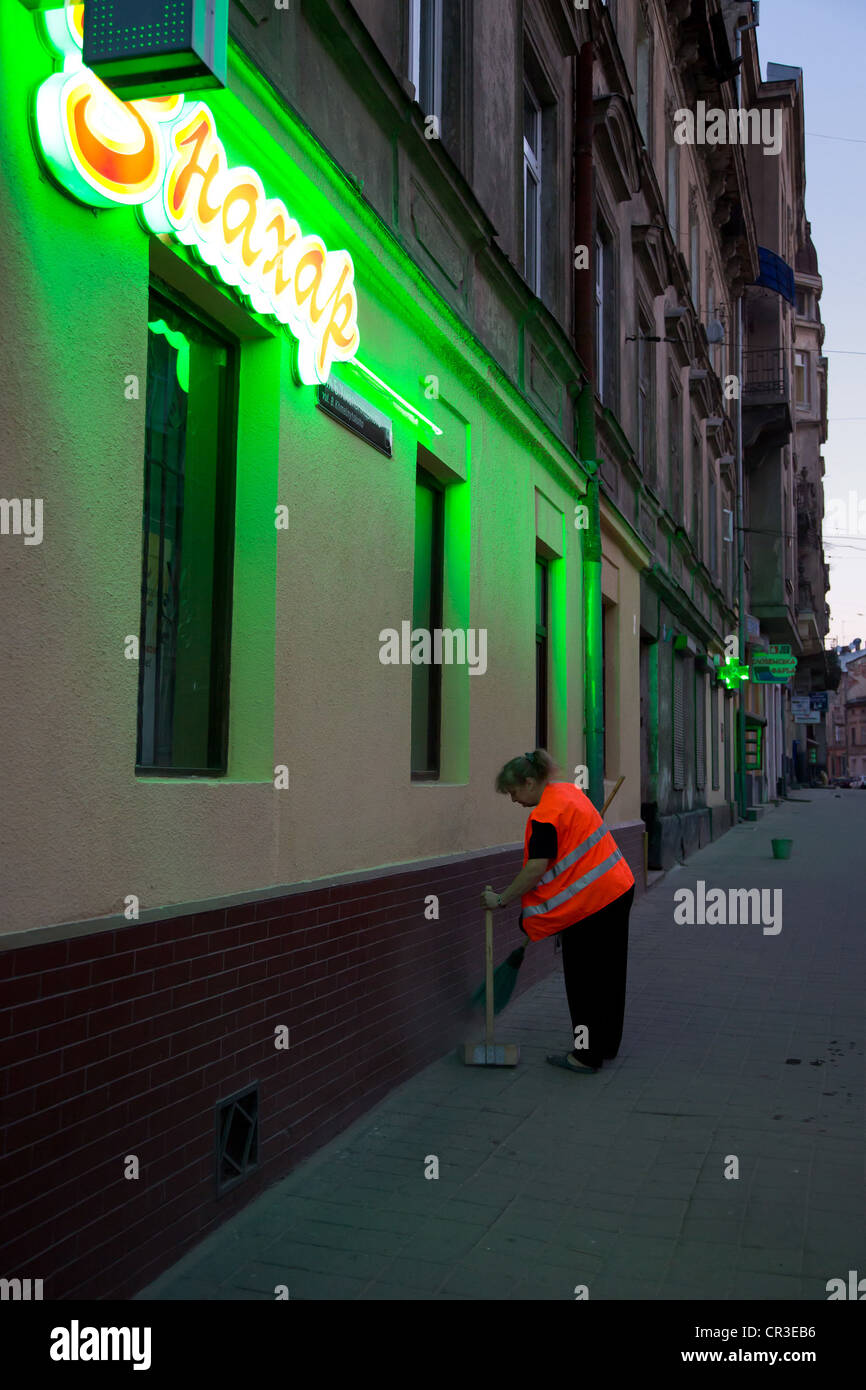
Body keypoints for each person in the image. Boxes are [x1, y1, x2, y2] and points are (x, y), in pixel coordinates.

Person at [480, 749, 635, 1074]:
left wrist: (503, 899)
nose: (513, 800)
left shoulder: (544, 817)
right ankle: (606, 1045)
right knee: (609, 975)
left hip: (592, 905)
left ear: (530, 782)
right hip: (618, 888)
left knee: (583, 982)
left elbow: (535, 869)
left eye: (513, 792)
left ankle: (585, 1055)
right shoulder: (568, 793)